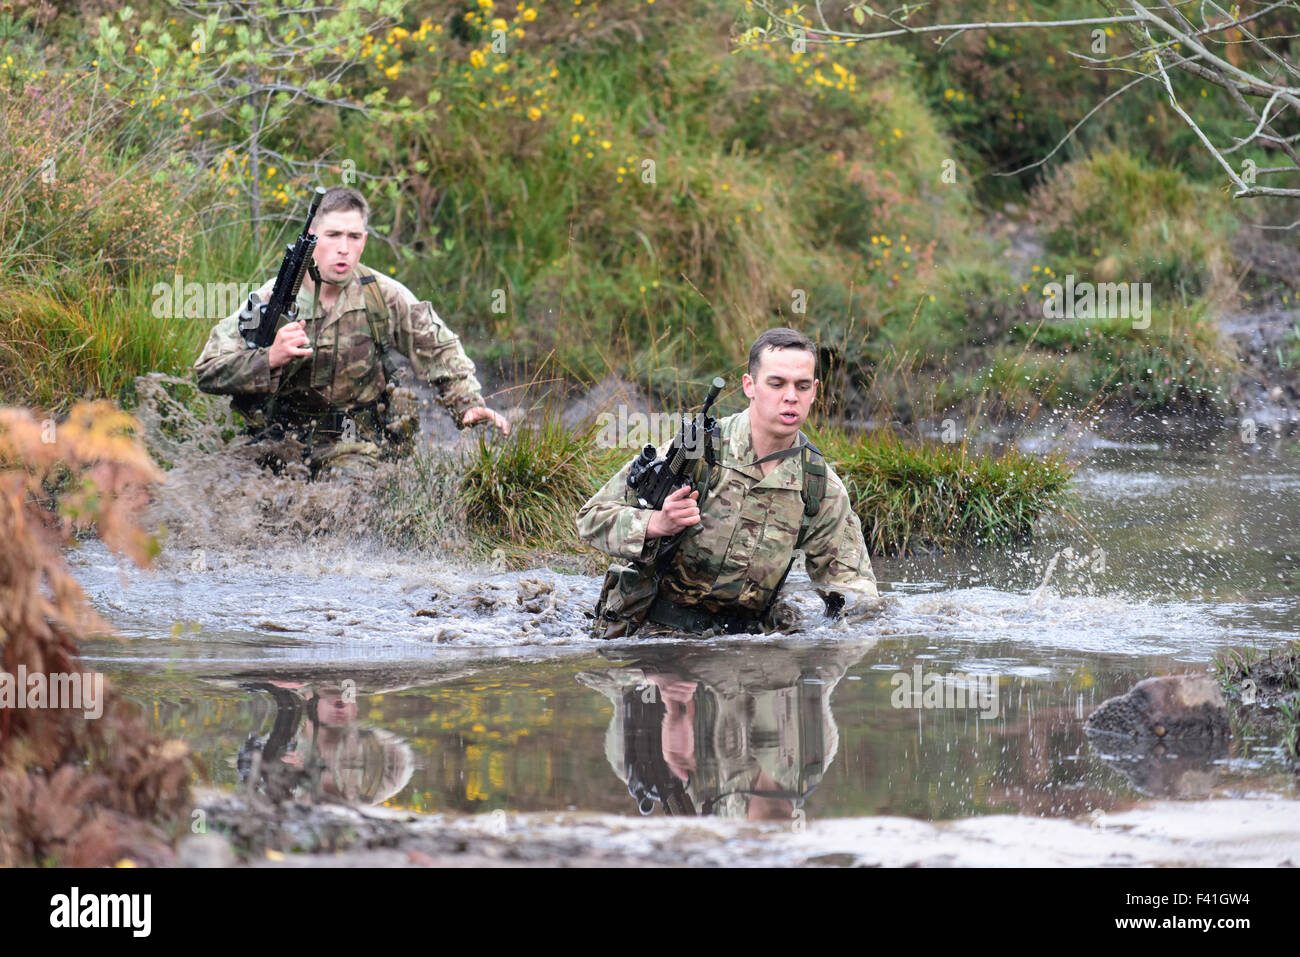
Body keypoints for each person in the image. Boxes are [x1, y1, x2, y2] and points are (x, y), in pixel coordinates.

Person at [576, 327, 885, 637]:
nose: (791, 396)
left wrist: (845, 637)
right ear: (749, 386)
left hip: (748, 647)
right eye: (776, 384)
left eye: (802, 386)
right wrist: (655, 522)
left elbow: (853, 590)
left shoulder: (817, 484)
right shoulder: (696, 451)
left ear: (815, 391)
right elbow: (591, 519)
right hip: (652, 634)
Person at [193, 186, 509, 476]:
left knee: (346, 499)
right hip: (275, 440)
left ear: (364, 241)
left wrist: (468, 405)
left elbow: (441, 350)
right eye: (333, 235)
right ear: (314, 238)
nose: (343, 248)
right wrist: (269, 358)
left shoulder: (384, 296)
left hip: (352, 444)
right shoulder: (269, 301)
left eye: (353, 236)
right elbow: (207, 371)